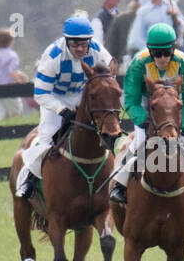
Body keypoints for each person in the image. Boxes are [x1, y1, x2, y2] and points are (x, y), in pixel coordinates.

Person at [110, 22, 184, 209]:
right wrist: (140, 118)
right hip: (148, 106)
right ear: (149, 51)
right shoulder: (138, 63)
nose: (162, 58)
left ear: (173, 49)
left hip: (176, 106)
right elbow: (130, 99)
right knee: (139, 142)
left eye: (166, 53)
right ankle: (120, 186)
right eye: (157, 53)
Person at [15, 15, 114, 200]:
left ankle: (114, 178)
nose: (80, 49)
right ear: (66, 41)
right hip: (54, 96)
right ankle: (27, 180)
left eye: (83, 44)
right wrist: (62, 110)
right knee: (47, 136)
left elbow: (110, 74)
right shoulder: (53, 55)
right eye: (75, 44)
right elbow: (41, 93)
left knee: (103, 132)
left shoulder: (98, 50)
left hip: (82, 95)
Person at [0, 28, 27, 119]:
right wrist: (22, 85)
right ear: (11, 41)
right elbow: (12, 72)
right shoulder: (12, 55)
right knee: (16, 113)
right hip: (8, 89)